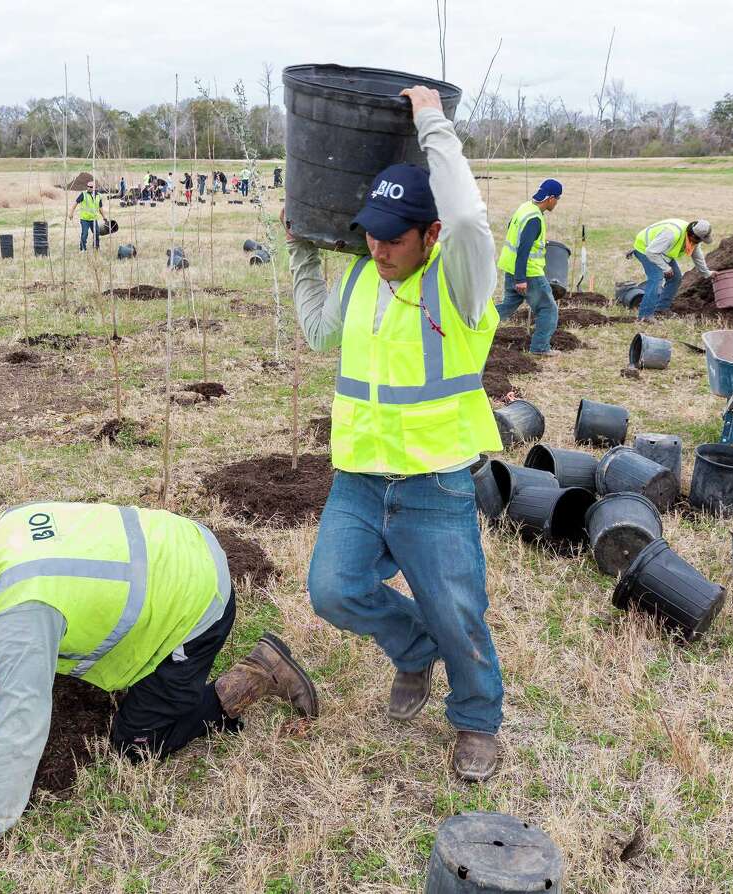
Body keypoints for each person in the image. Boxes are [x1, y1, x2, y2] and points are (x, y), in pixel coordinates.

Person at [0, 501, 318, 890]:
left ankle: (256, 674)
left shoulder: (21, 616)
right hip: (184, 541)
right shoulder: (10, 524)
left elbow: (22, 727)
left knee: (135, 745)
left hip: (198, 598)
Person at [286, 85, 505, 782]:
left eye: (395, 236)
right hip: (357, 478)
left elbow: (469, 214)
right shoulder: (359, 274)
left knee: (459, 611)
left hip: (434, 481)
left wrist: (431, 122)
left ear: (430, 236)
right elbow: (320, 330)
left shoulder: (462, 283)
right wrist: (299, 255)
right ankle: (413, 650)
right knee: (333, 590)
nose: (378, 247)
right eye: (371, 232)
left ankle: (476, 721)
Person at [495, 179, 563, 355]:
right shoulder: (534, 219)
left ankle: (473, 325)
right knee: (548, 309)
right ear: (550, 198)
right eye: (558, 199)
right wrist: (521, 279)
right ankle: (540, 348)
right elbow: (523, 249)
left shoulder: (525, 207)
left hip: (510, 268)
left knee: (507, 306)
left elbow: (512, 227)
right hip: (528, 273)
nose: (557, 203)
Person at [629, 219, 714, 321]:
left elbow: (697, 256)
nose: (699, 243)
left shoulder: (692, 238)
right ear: (692, 236)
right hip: (645, 248)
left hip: (661, 252)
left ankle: (661, 310)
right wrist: (666, 268)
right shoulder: (671, 235)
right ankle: (645, 315)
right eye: (699, 240)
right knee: (656, 278)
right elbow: (651, 252)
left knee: (675, 278)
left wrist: (707, 273)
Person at [68, 180, 108, 252]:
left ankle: (96, 248)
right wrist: (71, 213)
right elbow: (75, 203)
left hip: (93, 219)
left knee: (97, 233)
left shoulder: (98, 196)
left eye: (90, 187)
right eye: (88, 186)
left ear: (94, 188)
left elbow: (100, 208)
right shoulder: (83, 194)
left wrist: (104, 217)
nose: (88, 188)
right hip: (84, 219)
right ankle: (82, 249)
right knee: (85, 234)